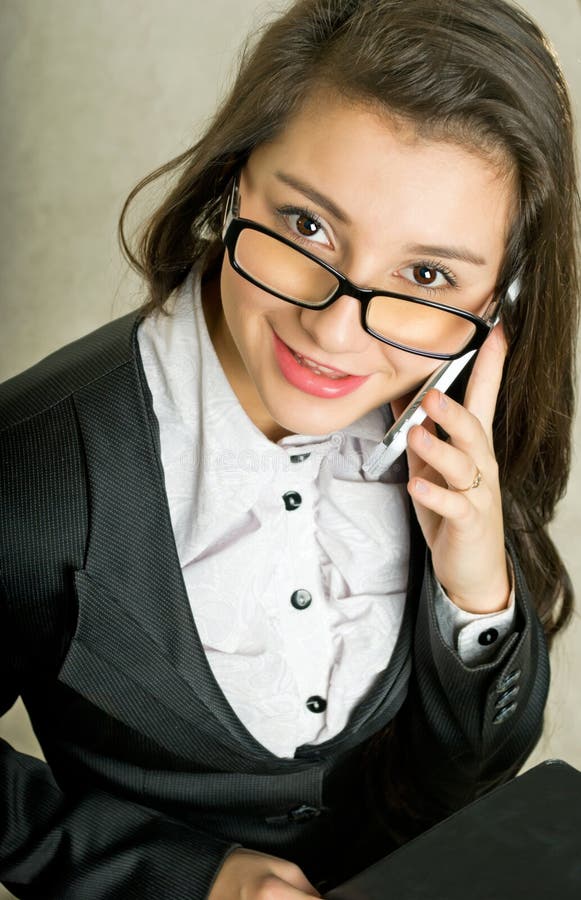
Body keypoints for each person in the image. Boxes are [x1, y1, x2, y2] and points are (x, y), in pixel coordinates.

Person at [0, 0, 578, 897]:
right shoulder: (33, 464)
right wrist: (184, 878)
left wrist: (476, 591)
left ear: (493, 300)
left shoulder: (454, 416)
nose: (335, 331)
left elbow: (473, 773)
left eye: (425, 275)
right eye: (307, 225)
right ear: (235, 181)